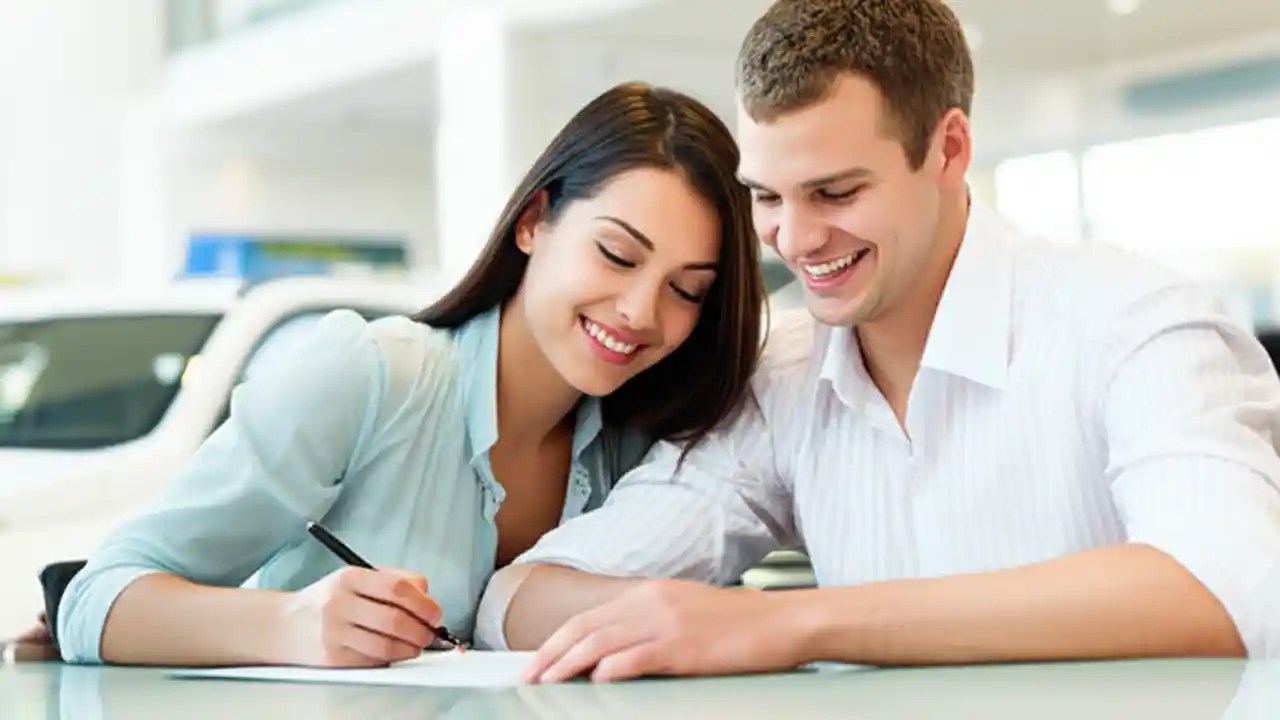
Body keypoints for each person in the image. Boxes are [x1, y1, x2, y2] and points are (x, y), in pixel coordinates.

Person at [474, 0, 1280, 682]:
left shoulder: (1136, 323)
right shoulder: (783, 380)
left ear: (949, 151)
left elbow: (1227, 585)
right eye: (767, 197)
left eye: (836, 192)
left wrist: (801, 625)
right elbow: (520, 599)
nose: (795, 237)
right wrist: (685, 619)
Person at [46, 82, 765, 667]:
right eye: (616, 254)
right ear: (533, 222)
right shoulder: (369, 376)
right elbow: (94, 599)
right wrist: (291, 623)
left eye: (687, 289)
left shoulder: (647, 452)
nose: (641, 310)